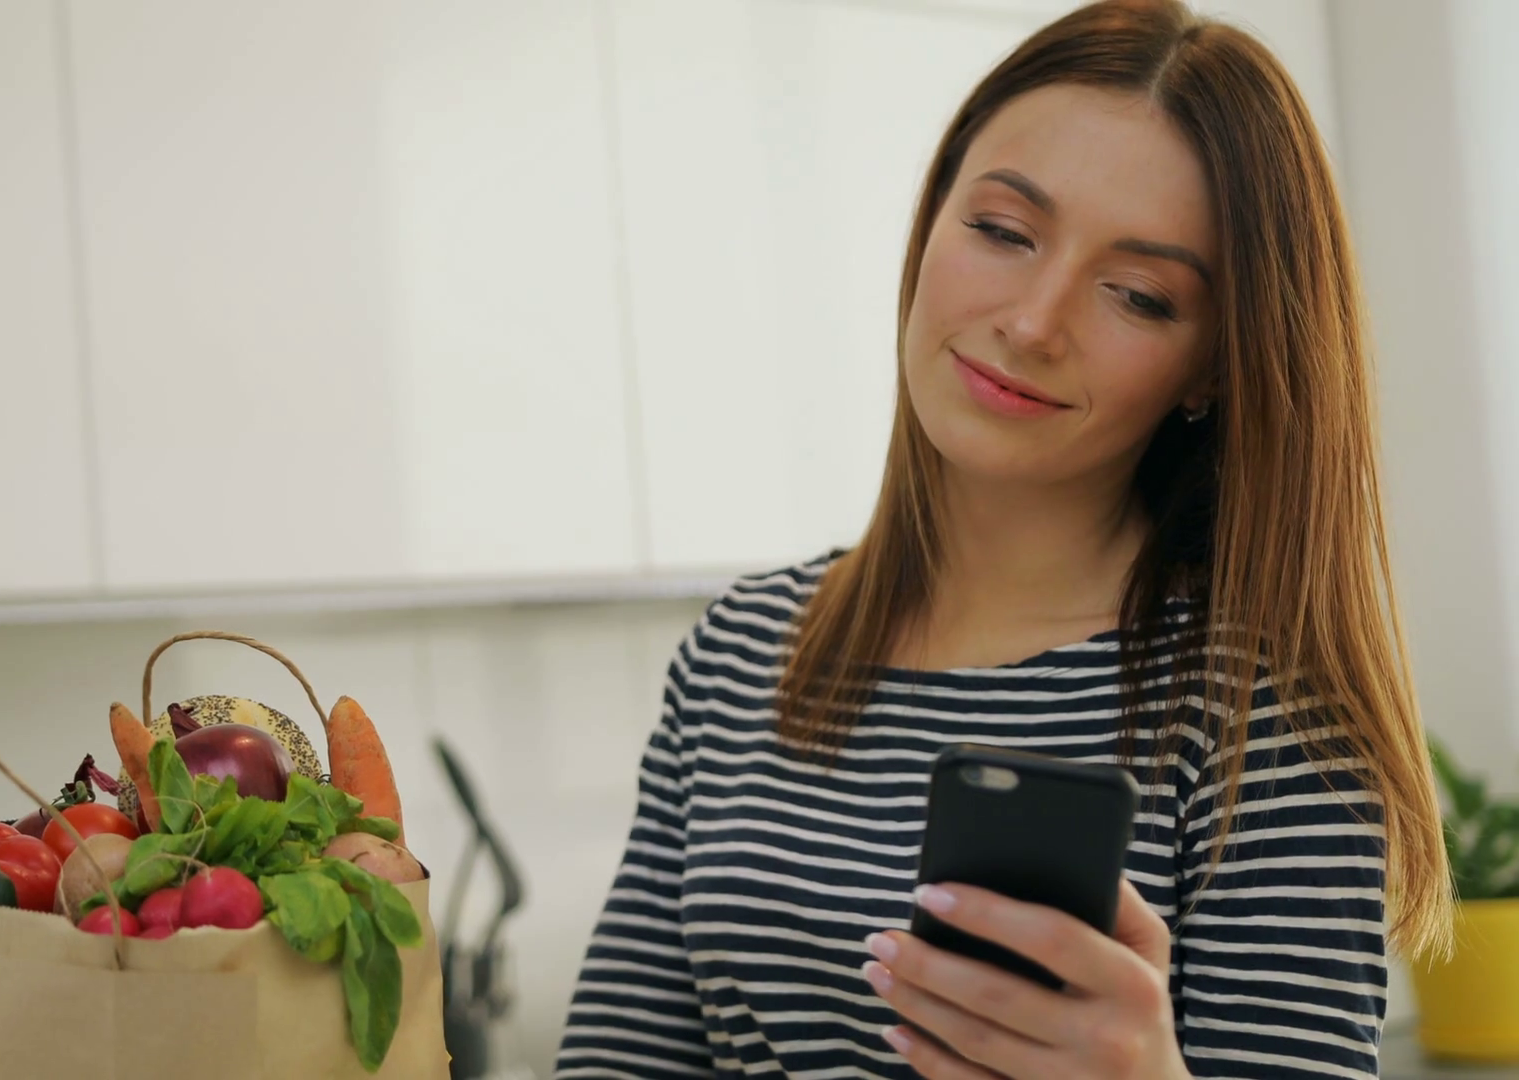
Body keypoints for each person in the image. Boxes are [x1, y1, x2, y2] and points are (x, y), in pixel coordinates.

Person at [553, 1, 1453, 1077]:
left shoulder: (1267, 714)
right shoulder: (741, 651)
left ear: (1212, 367)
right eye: (1002, 231)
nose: (1032, 320)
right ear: (932, 222)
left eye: (1138, 295)